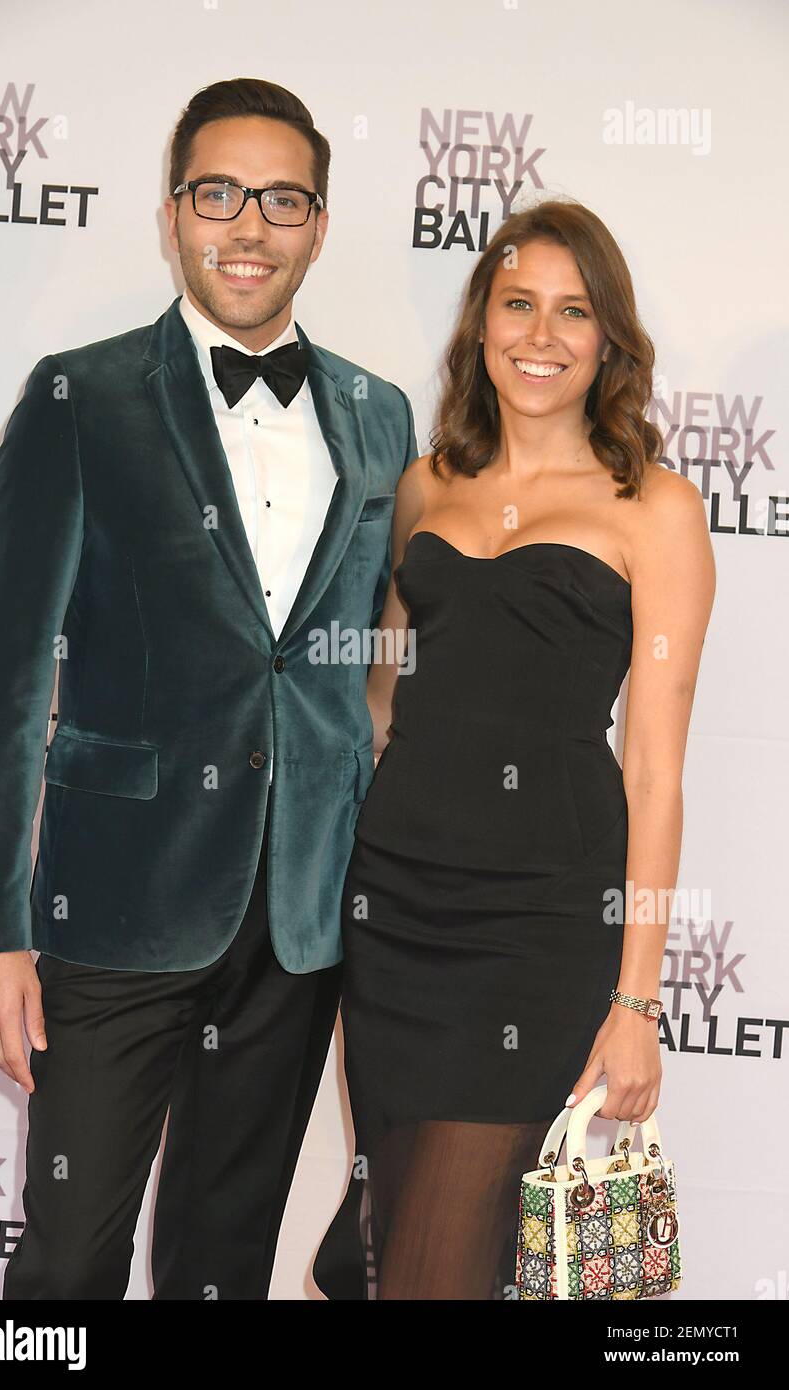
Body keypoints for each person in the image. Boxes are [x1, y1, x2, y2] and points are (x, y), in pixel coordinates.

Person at [0, 77, 417, 1300]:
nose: (248, 225)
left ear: (318, 221)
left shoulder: (378, 415)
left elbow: (379, 662)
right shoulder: (77, 396)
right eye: (219, 193)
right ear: (170, 211)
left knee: (224, 1259)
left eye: (281, 199)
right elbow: (0, 681)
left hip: (299, 916)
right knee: (64, 1263)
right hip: (114, 910)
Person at [313, 199, 715, 1300]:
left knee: (439, 1264)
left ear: (607, 340)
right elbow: (381, 700)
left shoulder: (655, 509)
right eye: (517, 305)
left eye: (571, 312)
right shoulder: (423, 484)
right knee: (397, 1244)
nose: (540, 335)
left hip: (538, 929)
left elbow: (653, 771)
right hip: (391, 913)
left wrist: (634, 1004)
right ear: (479, 326)